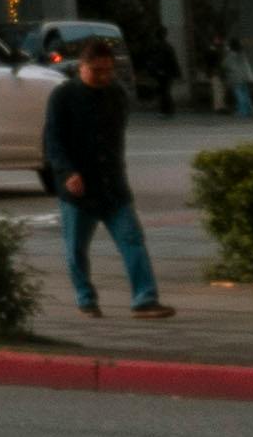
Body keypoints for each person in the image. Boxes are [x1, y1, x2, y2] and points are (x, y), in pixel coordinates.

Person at [35, 39, 163, 318]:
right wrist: (67, 172)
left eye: (108, 70)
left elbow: (115, 139)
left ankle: (145, 298)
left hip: (113, 185)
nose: (104, 76)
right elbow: (53, 141)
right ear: (81, 67)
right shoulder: (63, 96)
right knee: (76, 247)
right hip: (78, 188)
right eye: (96, 70)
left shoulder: (116, 94)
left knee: (132, 240)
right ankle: (85, 297)